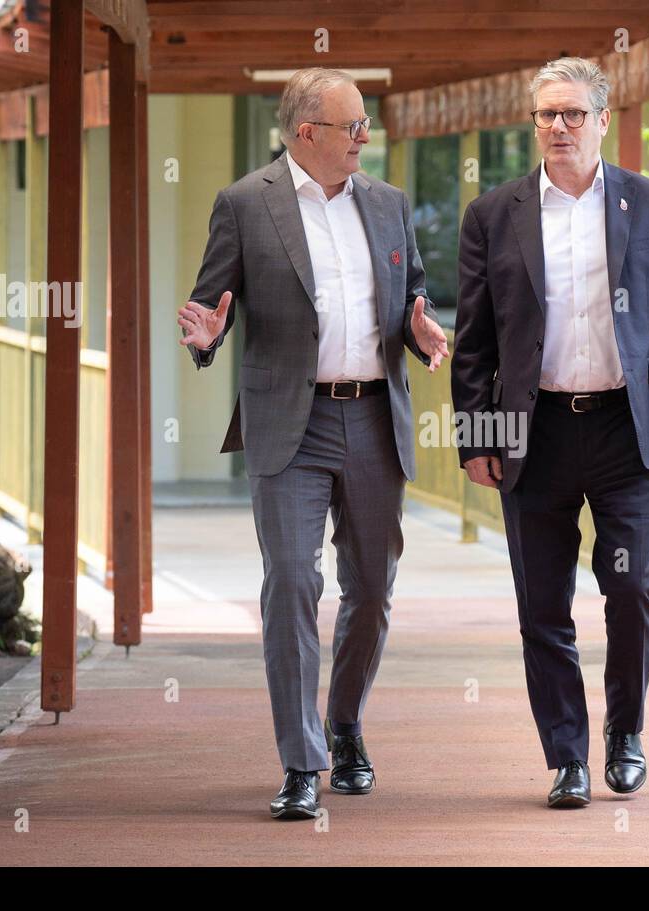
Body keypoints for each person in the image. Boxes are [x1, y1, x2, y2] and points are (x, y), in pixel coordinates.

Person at [177, 67, 448, 820]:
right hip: (288, 426)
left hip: (371, 419)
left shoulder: (389, 206)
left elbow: (412, 297)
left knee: (371, 587)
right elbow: (213, 303)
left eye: (364, 124)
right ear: (308, 134)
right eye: (353, 125)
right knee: (293, 582)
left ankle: (346, 723)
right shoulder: (244, 204)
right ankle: (301, 761)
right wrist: (207, 336)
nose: (366, 136)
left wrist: (419, 333)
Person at [451, 56, 649, 808]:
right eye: (546, 115)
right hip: (531, 437)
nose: (559, 127)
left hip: (625, 432)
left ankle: (624, 734)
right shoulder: (492, 215)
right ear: (533, 124)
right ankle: (565, 755)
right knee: (542, 602)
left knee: (630, 587)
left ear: (604, 120)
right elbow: (474, 339)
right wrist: (477, 436)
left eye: (573, 113)